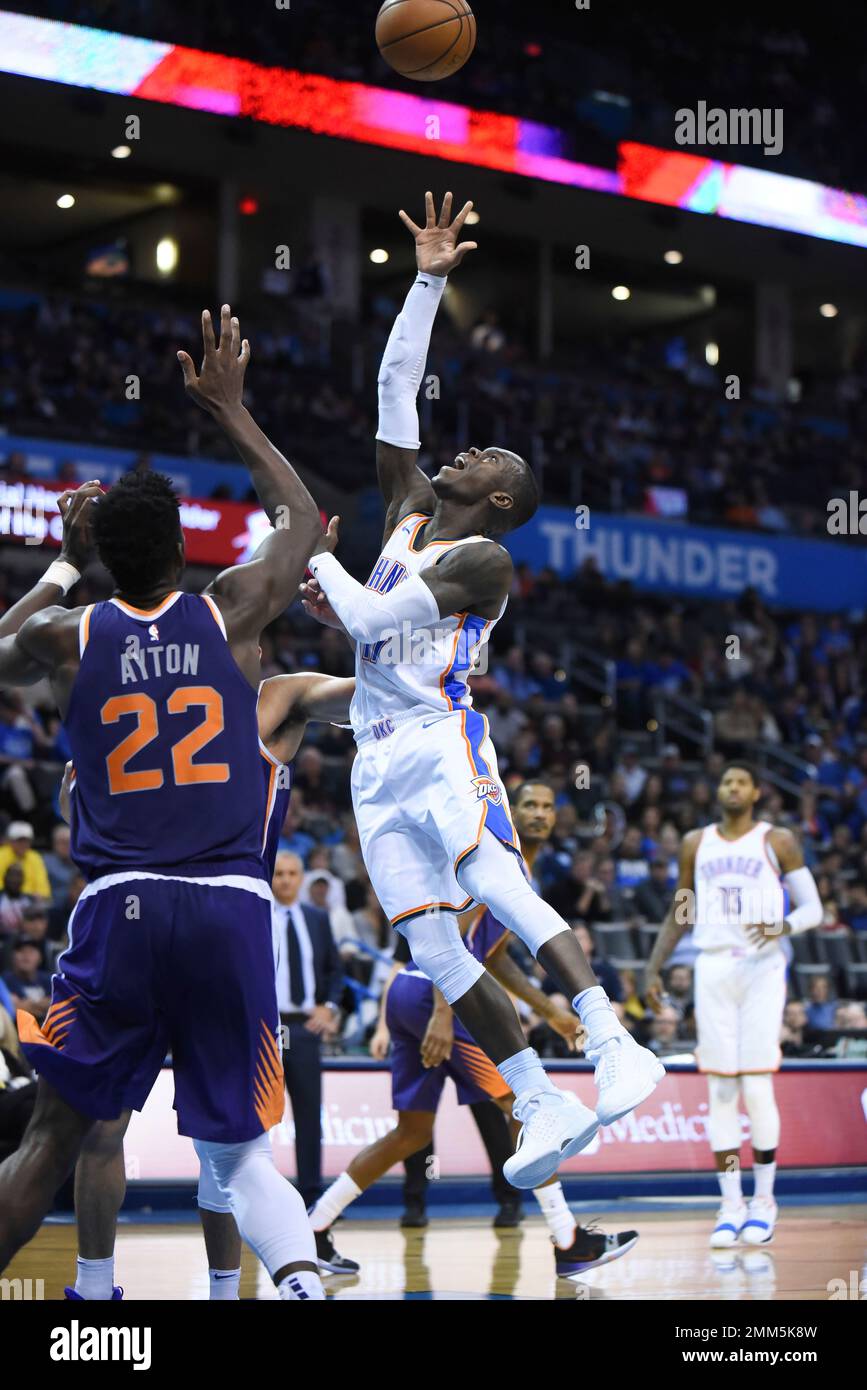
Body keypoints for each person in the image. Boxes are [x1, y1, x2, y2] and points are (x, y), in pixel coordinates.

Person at [302, 192, 664, 1189]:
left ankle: (611, 1038)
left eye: (487, 457)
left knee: (497, 884)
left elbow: (371, 623)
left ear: (500, 496)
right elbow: (392, 390)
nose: (464, 450)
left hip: (441, 744)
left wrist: (315, 563)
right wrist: (426, 279)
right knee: (432, 948)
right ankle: (537, 1091)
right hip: (376, 763)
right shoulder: (411, 510)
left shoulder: (487, 560)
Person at [0, 305, 330, 1301]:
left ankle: (95, 1285)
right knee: (237, 1149)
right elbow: (307, 526)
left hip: (121, 906)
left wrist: (62, 559)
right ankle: (306, 1284)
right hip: (230, 905)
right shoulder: (227, 611)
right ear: (180, 552)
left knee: (53, 1140)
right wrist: (230, 411)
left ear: (105, 557)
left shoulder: (73, 636)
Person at [309, 781, 639, 1280]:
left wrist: (546, 1011)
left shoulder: (514, 867)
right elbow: (456, 941)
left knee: (411, 1132)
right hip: (435, 997)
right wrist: (444, 1015)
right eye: (528, 803)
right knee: (528, 1111)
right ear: (509, 806)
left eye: (548, 806)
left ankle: (312, 1229)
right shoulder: (490, 854)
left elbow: (495, 955)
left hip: (409, 990)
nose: (539, 813)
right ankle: (568, 1240)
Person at [645, 761, 822, 1249]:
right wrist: (653, 966)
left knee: (757, 1084)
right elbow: (682, 907)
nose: (732, 788)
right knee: (721, 1092)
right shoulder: (695, 842)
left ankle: (765, 1200)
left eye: (741, 781)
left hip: (763, 968)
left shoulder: (777, 839)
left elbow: (814, 909)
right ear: (718, 791)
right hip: (713, 965)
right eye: (725, 781)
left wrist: (783, 926)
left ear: (757, 791)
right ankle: (730, 1204)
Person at [271, 851, 343, 1208]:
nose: (285, 880)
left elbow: (335, 971)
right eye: (279, 873)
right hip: (265, 1028)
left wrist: (329, 1008)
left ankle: (312, 1196)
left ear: (302, 877)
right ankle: (263, 1196)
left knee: (309, 1115)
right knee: (259, 1117)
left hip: (303, 1030)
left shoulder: (317, 918)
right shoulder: (255, 918)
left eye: (291, 873)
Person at [0, 822, 50, 903]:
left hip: (29, 901)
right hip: (4, 899)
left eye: (26, 841)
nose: (23, 844)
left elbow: (43, 888)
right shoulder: (1, 855)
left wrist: (40, 896)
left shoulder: (35, 857)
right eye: (19, 840)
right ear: (10, 841)